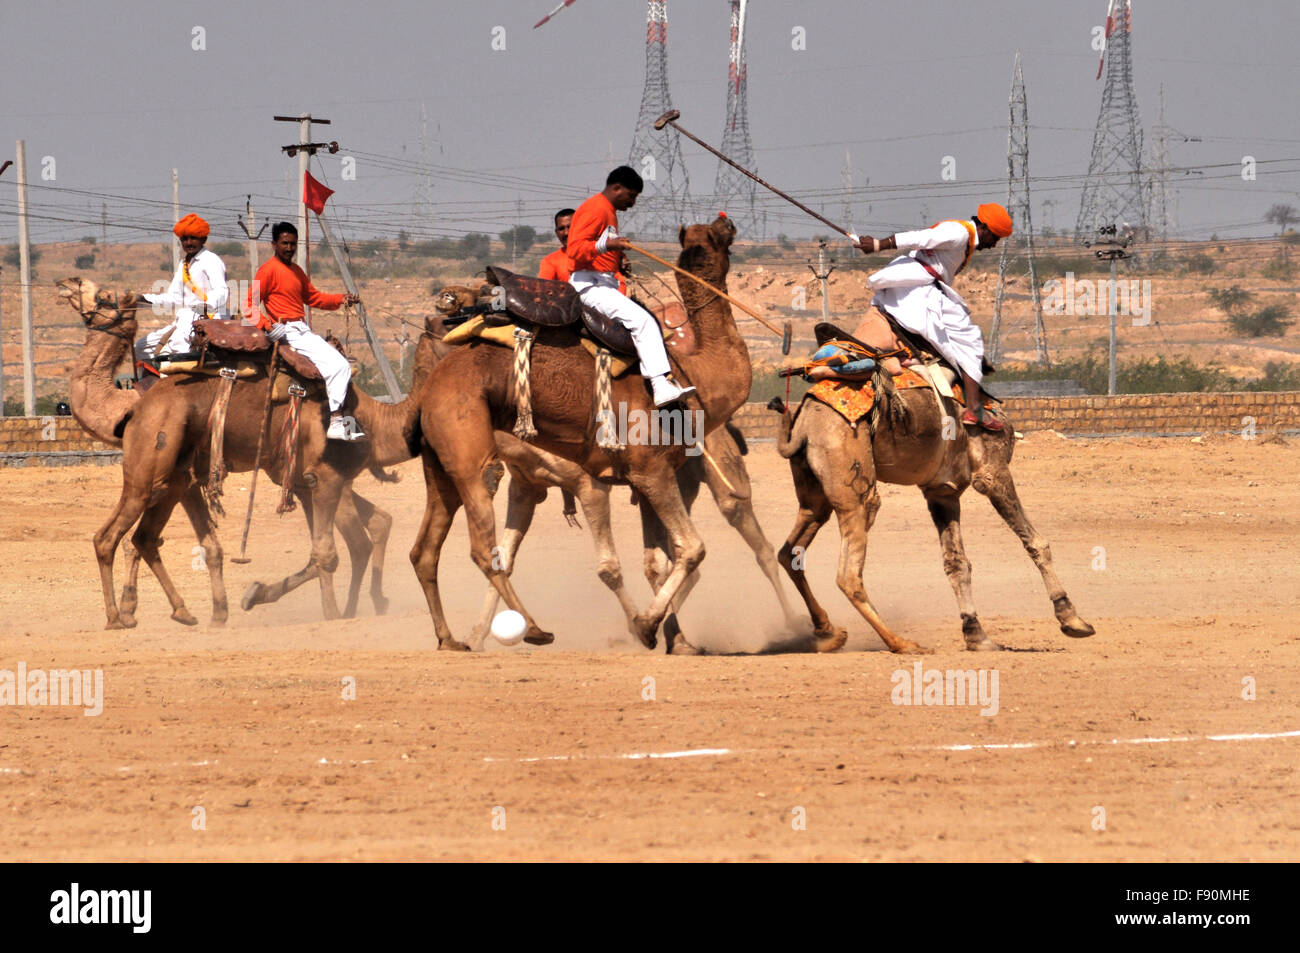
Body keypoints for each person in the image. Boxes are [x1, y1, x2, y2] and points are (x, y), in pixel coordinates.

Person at [853, 203, 1013, 431]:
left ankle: (913, 359)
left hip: (917, 284)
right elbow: (921, 238)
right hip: (918, 289)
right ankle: (974, 409)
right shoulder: (959, 233)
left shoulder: (964, 238)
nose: (994, 244)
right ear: (984, 228)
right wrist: (880, 245)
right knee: (971, 342)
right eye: (995, 238)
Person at [566, 167, 693, 408]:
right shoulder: (596, 209)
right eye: (631, 196)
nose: (633, 203)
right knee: (642, 321)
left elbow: (596, 245)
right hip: (590, 286)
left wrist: (617, 255)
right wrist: (610, 244)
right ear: (617, 188)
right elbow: (574, 249)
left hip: (603, 282)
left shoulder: (608, 211)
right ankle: (660, 385)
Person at [247, 222, 365, 442]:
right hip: (287, 331)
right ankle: (337, 422)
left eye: (293, 244)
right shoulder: (267, 270)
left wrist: (341, 299)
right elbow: (248, 306)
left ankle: (343, 425)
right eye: (285, 243)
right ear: (274, 244)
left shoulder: (297, 271)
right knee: (339, 366)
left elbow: (313, 298)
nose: (289, 248)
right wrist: (268, 326)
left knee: (339, 365)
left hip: (302, 329)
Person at [135, 213, 228, 366]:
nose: (189, 242)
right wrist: (144, 298)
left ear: (203, 239)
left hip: (206, 320)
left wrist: (207, 305)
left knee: (176, 351)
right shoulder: (183, 264)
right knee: (141, 348)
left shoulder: (211, 260)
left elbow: (221, 290)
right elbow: (174, 298)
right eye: (184, 239)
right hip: (184, 322)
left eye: (193, 238)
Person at [539, 207, 628, 294]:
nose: (566, 233)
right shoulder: (550, 262)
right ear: (556, 232)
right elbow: (543, 292)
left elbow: (619, 282)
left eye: (570, 227)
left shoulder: (599, 252)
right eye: (561, 229)